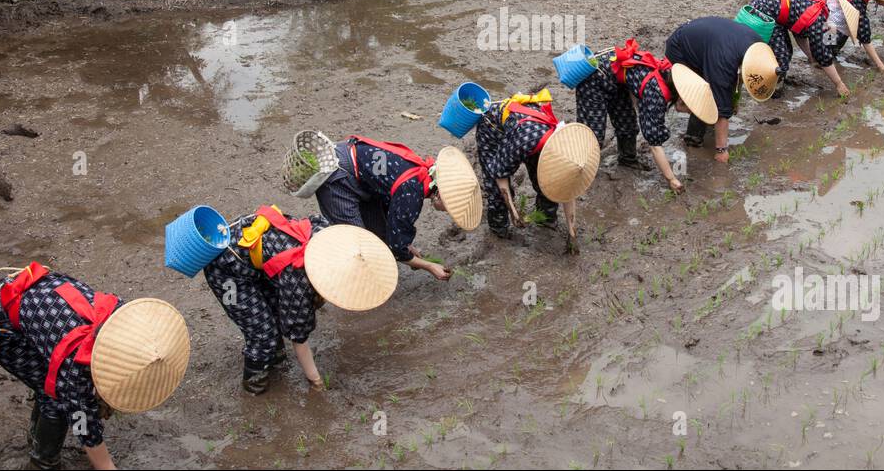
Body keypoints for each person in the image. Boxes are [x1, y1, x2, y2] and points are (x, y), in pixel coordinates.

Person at [0, 263, 189, 469]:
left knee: (53, 386)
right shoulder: (75, 370)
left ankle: (37, 437)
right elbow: (84, 426)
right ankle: (42, 461)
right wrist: (106, 465)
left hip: (43, 299)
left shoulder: (121, 315)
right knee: (56, 397)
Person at [204, 209, 391, 394]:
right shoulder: (299, 279)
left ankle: (274, 357)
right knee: (262, 333)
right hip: (226, 269)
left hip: (257, 253)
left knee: (275, 312)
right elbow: (298, 336)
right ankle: (254, 383)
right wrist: (316, 381)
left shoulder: (326, 234)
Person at [314, 137, 481, 283]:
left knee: (379, 237)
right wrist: (429, 266)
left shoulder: (419, 171)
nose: (447, 211)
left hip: (357, 171)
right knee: (359, 244)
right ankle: (340, 279)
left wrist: (406, 245)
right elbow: (396, 249)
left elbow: (393, 218)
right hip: (337, 177)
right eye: (450, 206)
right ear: (441, 194)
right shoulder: (412, 195)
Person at [475, 91, 600, 252]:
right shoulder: (524, 142)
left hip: (532, 133)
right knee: (495, 185)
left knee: (549, 183)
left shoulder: (566, 149)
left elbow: (567, 192)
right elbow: (500, 173)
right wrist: (513, 210)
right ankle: (499, 228)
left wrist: (572, 233)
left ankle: (546, 219)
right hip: (493, 128)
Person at [572, 38, 693, 193]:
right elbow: (655, 145)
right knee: (593, 135)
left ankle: (627, 159)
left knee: (628, 126)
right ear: (682, 99)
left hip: (617, 80)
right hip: (595, 77)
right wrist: (672, 179)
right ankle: (578, 173)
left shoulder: (669, 76)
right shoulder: (656, 94)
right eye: (690, 110)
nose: (689, 113)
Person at [664, 16, 779, 158]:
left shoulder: (757, 49)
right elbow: (722, 111)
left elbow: (741, 75)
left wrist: (734, 101)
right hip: (681, 48)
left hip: (709, 41)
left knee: (719, 96)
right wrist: (721, 150)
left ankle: (701, 119)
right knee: (706, 94)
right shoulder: (724, 62)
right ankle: (692, 137)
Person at [746, 0, 852, 95]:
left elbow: (800, 35)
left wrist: (812, 59)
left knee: (786, 49)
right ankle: (773, 88)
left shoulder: (818, 10)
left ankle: (777, 77)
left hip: (769, 4)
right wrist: (839, 83)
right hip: (763, 13)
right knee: (782, 54)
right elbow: (823, 55)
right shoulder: (817, 21)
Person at [811, 0, 884, 73]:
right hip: (825, 13)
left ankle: (828, 52)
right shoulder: (857, 3)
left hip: (831, 8)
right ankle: (820, 57)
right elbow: (865, 39)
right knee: (833, 35)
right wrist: (881, 66)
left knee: (847, 25)